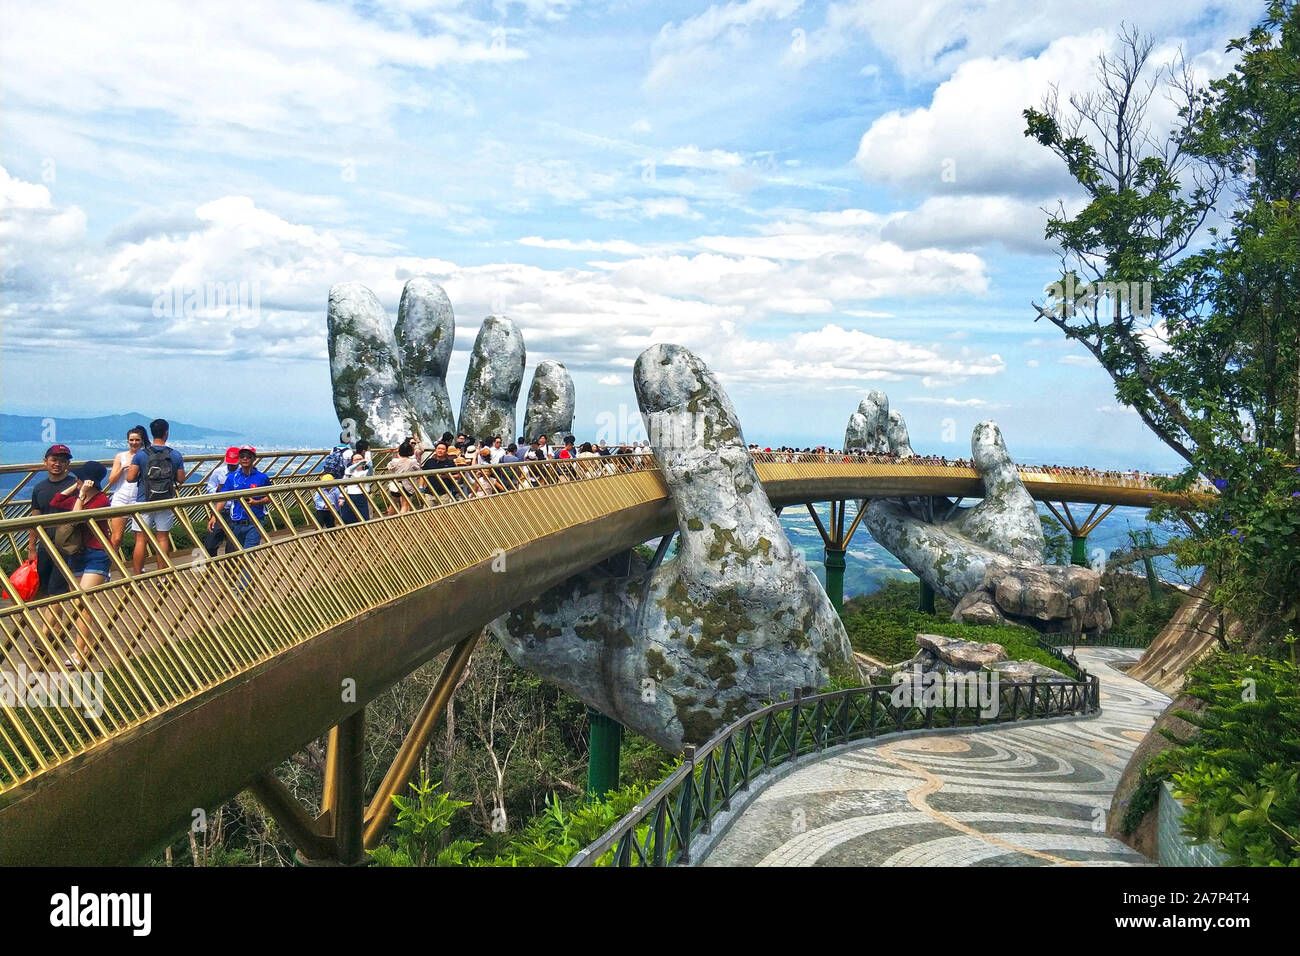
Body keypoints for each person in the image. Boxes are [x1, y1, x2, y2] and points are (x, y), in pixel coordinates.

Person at [49, 461, 113, 667]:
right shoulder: (81, 495)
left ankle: (79, 652)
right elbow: (56, 501)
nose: (76, 479)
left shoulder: (101, 500)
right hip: (76, 554)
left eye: (80, 477)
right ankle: (87, 642)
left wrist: (81, 494)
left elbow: (77, 518)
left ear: (90, 480)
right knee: (79, 603)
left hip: (97, 553)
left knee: (82, 602)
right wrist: (76, 488)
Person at [124, 418, 186, 574]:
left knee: (140, 539)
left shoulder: (141, 455)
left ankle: (137, 575)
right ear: (166, 433)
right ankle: (162, 575)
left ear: (151, 433)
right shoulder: (175, 455)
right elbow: (180, 479)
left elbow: (130, 478)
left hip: (143, 500)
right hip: (165, 501)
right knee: (163, 538)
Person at [28, 444, 80, 598]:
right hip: (45, 544)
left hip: (68, 545)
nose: (57, 464)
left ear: (68, 464)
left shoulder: (75, 486)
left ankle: (54, 621)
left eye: (62, 461)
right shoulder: (39, 488)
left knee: (57, 590)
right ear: (46, 461)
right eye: (54, 460)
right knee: (45, 587)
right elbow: (35, 518)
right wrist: (32, 547)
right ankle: (51, 620)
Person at [208, 446, 272, 550]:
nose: (245, 459)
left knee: (248, 555)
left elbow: (269, 497)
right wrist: (214, 516)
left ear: (253, 458)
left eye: (248, 456)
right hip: (237, 522)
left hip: (255, 522)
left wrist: (256, 502)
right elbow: (223, 497)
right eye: (242, 456)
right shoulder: (232, 477)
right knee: (236, 555)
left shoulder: (262, 478)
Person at [105, 425, 147, 551]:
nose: (134, 443)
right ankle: (109, 567)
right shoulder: (120, 456)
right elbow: (111, 481)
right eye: (131, 440)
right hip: (121, 497)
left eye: (137, 440)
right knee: (116, 537)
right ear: (128, 441)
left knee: (140, 538)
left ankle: (139, 568)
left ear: (142, 441)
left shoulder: (146, 456)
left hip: (139, 498)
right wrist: (123, 467)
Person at [200, 448, 241, 557]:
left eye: (234, 464)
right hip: (220, 510)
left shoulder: (242, 474)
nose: (232, 466)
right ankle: (211, 565)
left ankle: (229, 570)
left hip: (235, 512)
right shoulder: (218, 472)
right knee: (210, 543)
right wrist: (218, 490)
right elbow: (209, 488)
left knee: (232, 546)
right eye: (230, 464)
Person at [384, 441, 422, 514]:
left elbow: (389, 467)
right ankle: (402, 522)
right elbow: (418, 468)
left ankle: (389, 520)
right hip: (407, 485)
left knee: (393, 504)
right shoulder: (412, 461)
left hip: (395, 484)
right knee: (404, 505)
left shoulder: (394, 461)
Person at [340, 443, 373, 523]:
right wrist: (360, 463)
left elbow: (370, 470)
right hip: (350, 497)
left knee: (364, 520)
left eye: (360, 459)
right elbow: (349, 470)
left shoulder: (365, 472)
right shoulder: (349, 470)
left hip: (363, 497)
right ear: (352, 462)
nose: (359, 461)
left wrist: (369, 462)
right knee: (348, 521)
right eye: (356, 460)